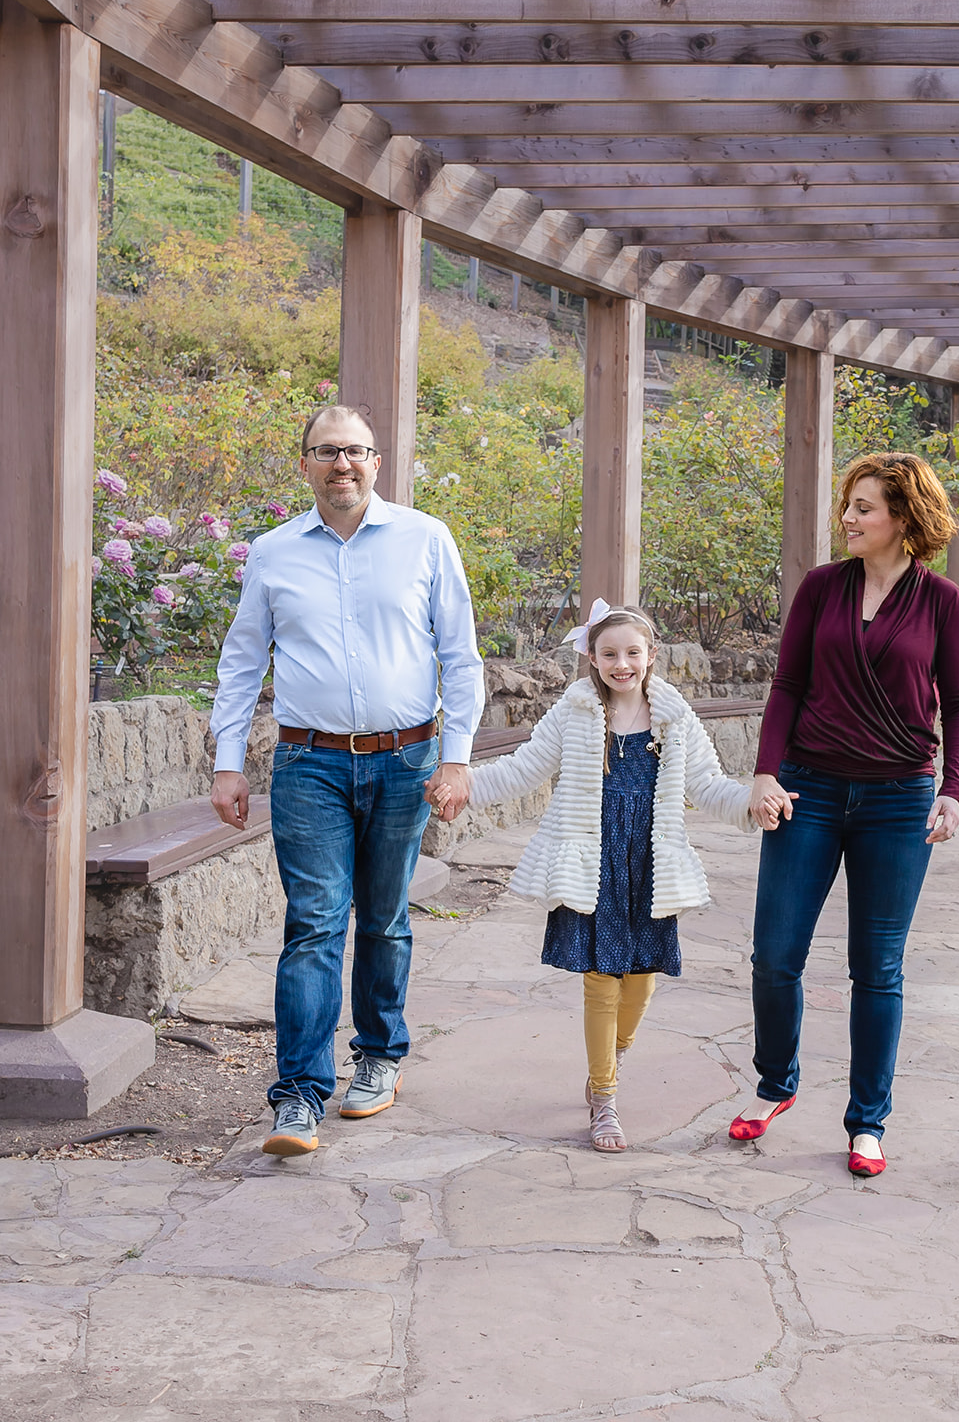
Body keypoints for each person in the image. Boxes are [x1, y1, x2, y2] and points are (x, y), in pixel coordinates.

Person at [209, 403, 485, 1157]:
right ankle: (298, 1096)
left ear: (377, 462)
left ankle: (379, 1054)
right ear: (304, 464)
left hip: (406, 759)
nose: (343, 465)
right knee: (314, 925)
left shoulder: (426, 540)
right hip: (309, 764)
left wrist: (456, 757)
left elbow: (460, 657)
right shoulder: (271, 553)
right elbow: (241, 662)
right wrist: (227, 762)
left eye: (356, 451)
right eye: (327, 452)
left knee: (387, 916)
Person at [733, 451, 959, 1177]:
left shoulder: (942, 602)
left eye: (864, 507)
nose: (848, 518)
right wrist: (765, 772)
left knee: (878, 968)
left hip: (898, 800)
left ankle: (868, 1122)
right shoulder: (820, 588)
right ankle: (777, 1083)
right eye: (848, 504)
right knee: (775, 955)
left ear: (904, 519)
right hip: (807, 790)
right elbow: (787, 685)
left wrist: (953, 790)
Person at [460, 600, 761, 1152]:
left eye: (632, 652)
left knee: (641, 978)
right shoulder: (575, 714)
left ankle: (611, 1057)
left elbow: (709, 785)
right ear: (592, 659)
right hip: (594, 862)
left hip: (648, 863)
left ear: (650, 656)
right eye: (609, 653)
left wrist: (750, 805)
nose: (621, 664)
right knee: (601, 980)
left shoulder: (674, 717)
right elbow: (523, 768)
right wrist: (466, 787)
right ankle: (604, 1096)